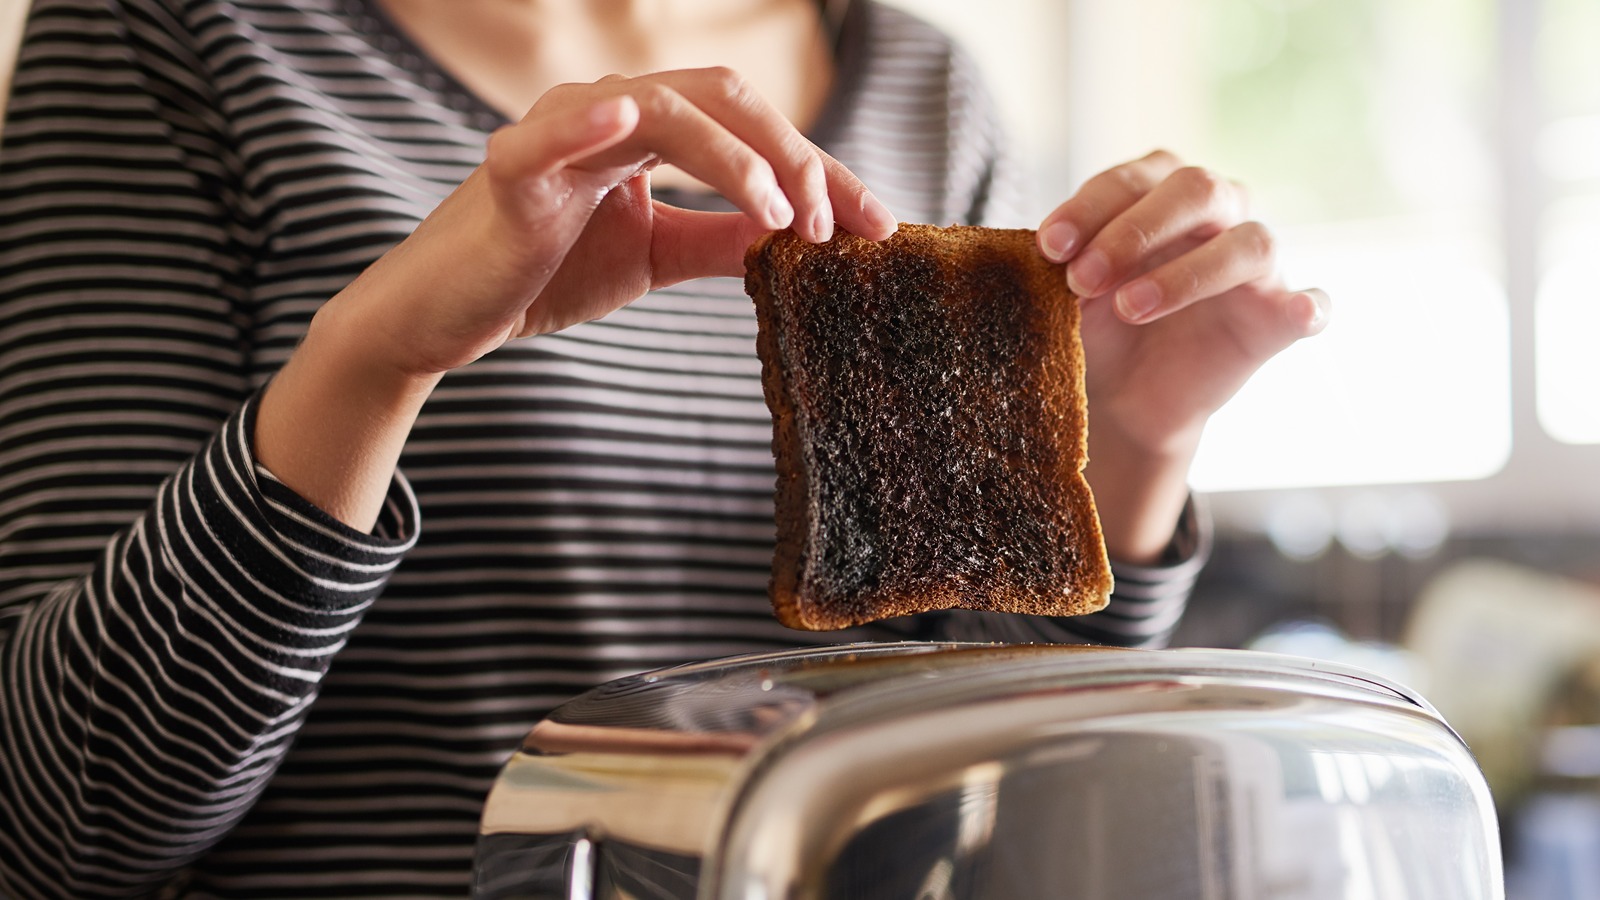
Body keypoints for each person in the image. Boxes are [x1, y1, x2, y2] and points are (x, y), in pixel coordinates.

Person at [0, 0, 1327, 895]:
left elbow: (981, 790)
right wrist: (377, 355)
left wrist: (1129, 444)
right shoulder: (178, 36)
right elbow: (68, 819)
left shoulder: (921, 82)